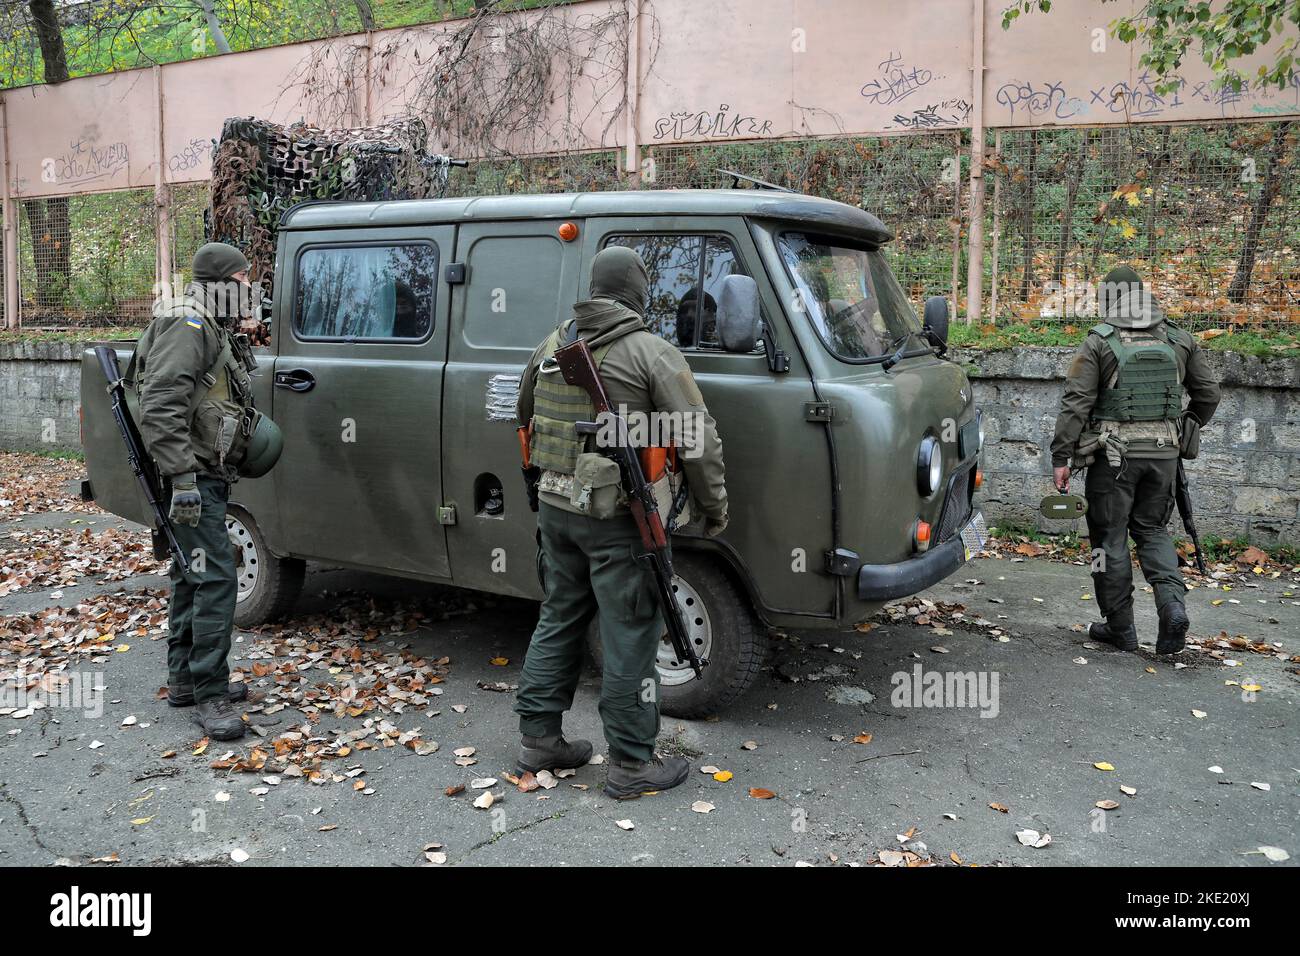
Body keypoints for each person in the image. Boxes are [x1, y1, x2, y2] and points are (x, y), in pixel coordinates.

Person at [514, 246, 728, 799]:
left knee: (560, 614)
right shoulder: (651, 353)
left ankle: (539, 739)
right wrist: (714, 508)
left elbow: (524, 420)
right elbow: (697, 437)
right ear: (637, 292)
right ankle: (632, 764)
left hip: (557, 509)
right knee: (631, 634)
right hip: (619, 520)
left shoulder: (551, 344)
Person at [1050, 265, 1221, 655]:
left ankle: (1120, 628)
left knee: (1106, 541)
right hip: (1163, 458)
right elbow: (1208, 393)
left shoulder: (1099, 341)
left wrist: (1062, 455)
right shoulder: (1179, 338)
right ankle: (1172, 609)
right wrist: (1185, 428)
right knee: (1153, 531)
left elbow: (1077, 402)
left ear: (1109, 300)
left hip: (1112, 461)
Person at [133, 242, 264, 740]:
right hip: (188, 476)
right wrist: (184, 480)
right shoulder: (188, 325)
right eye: (244, 278)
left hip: (198, 472)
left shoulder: (205, 322)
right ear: (224, 282)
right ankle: (210, 695)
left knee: (194, 574)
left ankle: (185, 680)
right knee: (216, 578)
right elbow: (161, 404)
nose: (250, 286)